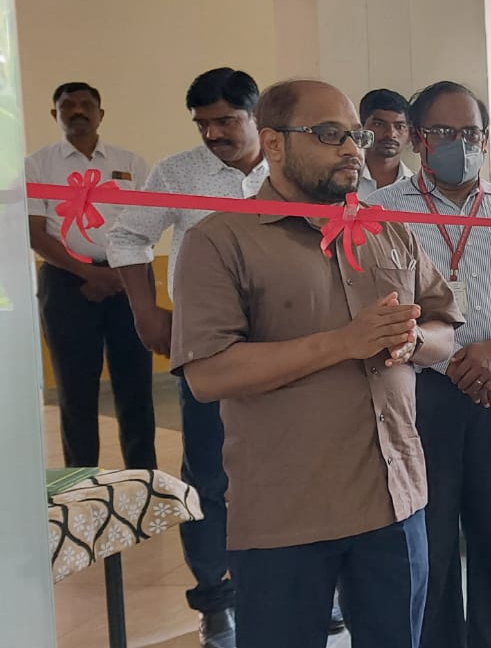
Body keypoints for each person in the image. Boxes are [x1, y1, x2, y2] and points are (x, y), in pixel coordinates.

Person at [170, 79, 461, 648]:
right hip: (287, 517)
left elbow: (445, 329)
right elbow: (208, 375)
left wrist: (411, 343)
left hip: (394, 502)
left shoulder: (386, 232)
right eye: (331, 135)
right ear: (273, 144)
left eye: (355, 135)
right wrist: (342, 343)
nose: (353, 148)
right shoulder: (220, 241)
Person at [367, 80, 491, 648]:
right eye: (447, 133)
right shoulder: (381, 213)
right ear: (420, 141)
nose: (463, 144)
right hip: (417, 390)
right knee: (427, 530)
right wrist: (455, 356)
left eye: (472, 133)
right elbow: (369, 302)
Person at [106, 67, 270, 648]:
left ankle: (309, 591)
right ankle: (216, 603)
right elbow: (127, 237)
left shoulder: (291, 168)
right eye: (203, 124)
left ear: (258, 116)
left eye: (226, 121)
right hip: (208, 350)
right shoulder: (178, 173)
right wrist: (146, 314)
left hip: (293, 347)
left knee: (297, 469)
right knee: (210, 479)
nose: (214, 134)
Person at [26, 81, 156, 470]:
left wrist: (118, 275)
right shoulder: (38, 164)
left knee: (135, 387)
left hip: (128, 279)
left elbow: (147, 222)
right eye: (68, 105)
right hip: (67, 284)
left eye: (87, 104)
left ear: (101, 114)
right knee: (75, 390)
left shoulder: (130, 162)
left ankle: (143, 480)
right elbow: (34, 230)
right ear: (56, 114)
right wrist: (87, 272)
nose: (78, 111)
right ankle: (82, 484)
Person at [358, 88, 414, 197]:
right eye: (379, 124)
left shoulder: (419, 189)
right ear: (361, 130)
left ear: (410, 135)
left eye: (399, 127)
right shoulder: (343, 181)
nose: (390, 133)